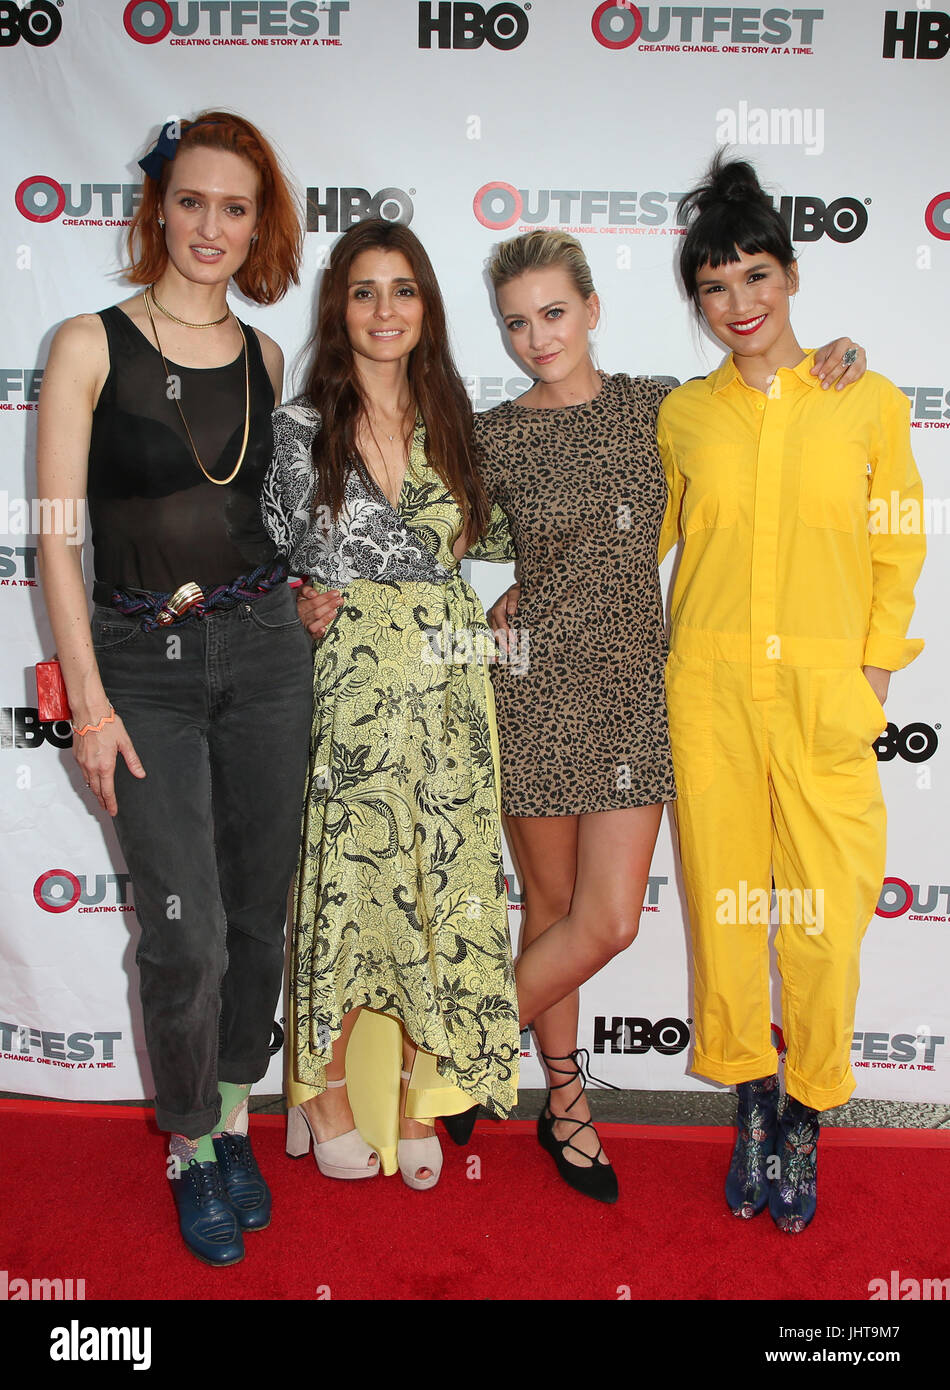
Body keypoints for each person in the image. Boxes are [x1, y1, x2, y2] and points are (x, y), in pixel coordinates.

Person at [300, 228, 864, 1205]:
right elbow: (417, 529)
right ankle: (563, 1099)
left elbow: (761, 415)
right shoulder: (487, 432)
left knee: (605, 922)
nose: (535, 337)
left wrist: (830, 362)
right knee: (550, 915)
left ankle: (440, 1066)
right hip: (527, 693)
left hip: (639, 691)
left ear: (592, 310)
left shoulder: (665, 408)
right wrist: (327, 589)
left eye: (553, 313)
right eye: (515, 322)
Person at [36, 112, 312, 1265]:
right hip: (138, 668)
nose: (211, 227)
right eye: (191, 202)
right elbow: (56, 543)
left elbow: (279, 517)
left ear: (260, 224)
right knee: (183, 930)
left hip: (263, 654)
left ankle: (235, 1112)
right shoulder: (86, 344)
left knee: (256, 916)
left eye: (234, 207)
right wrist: (89, 705)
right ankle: (189, 1140)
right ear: (159, 208)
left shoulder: (266, 358)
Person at [656, 153, 925, 1232]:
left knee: (820, 924)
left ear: (791, 277)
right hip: (710, 693)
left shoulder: (862, 399)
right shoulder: (681, 415)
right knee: (727, 913)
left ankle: (806, 1113)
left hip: (822, 697)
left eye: (754, 278)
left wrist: (870, 669)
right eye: (713, 287)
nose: (736, 305)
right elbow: (643, 541)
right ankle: (750, 1103)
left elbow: (896, 539)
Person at [262, 219, 519, 1191]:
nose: (383, 310)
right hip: (348, 687)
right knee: (337, 884)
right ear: (339, 307)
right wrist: (298, 601)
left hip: (450, 690)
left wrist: (515, 598)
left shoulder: (458, 420)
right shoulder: (296, 430)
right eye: (363, 291)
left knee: (436, 883)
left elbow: (528, 524)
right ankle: (320, 1092)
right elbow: (264, 566)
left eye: (402, 289)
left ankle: (419, 1098)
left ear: (426, 307)